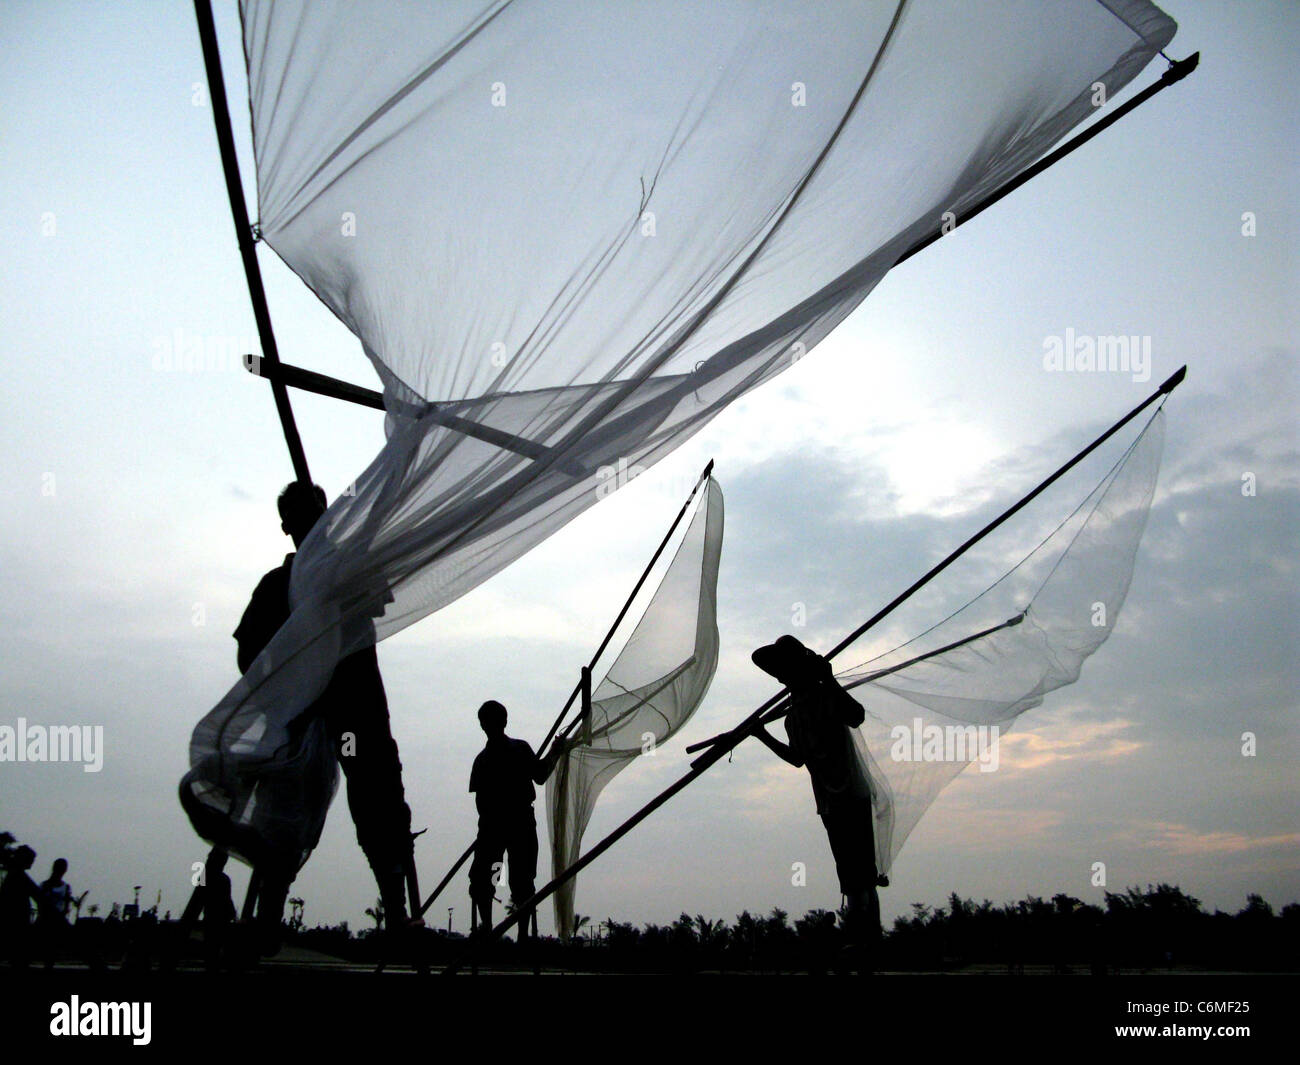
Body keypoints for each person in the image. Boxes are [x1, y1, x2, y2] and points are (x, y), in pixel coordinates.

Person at [233, 481, 417, 940]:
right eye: (297, 513)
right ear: (286, 526)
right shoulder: (278, 584)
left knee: (377, 796)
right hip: (303, 713)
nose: (309, 520)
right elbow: (248, 652)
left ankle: (396, 914)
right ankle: (268, 917)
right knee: (285, 805)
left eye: (316, 510)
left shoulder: (348, 570)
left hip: (357, 704)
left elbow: (376, 596)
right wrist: (283, 686)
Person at [749, 635, 883, 966]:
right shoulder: (793, 716)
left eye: (787, 672)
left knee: (860, 873)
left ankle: (865, 942)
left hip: (851, 793)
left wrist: (830, 679)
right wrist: (760, 733)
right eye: (780, 674)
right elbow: (798, 758)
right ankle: (864, 941)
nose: (782, 679)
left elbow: (856, 715)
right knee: (851, 871)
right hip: (829, 802)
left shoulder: (825, 696)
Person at [467, 701, 568, 942]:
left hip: (513, 825)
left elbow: (540, 775)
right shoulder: (489, 758)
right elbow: (540, 775)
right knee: (489, 879)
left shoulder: (514, 751)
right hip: (498, 827)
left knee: (517, 881)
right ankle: (491, 929)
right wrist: (555, 751)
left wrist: (555, 750)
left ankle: (518, 934)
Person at [37, 858, 81, 968]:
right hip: (46, 920)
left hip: (58, 921)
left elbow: (66, 906)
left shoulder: (66, 887)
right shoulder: (45, 885)